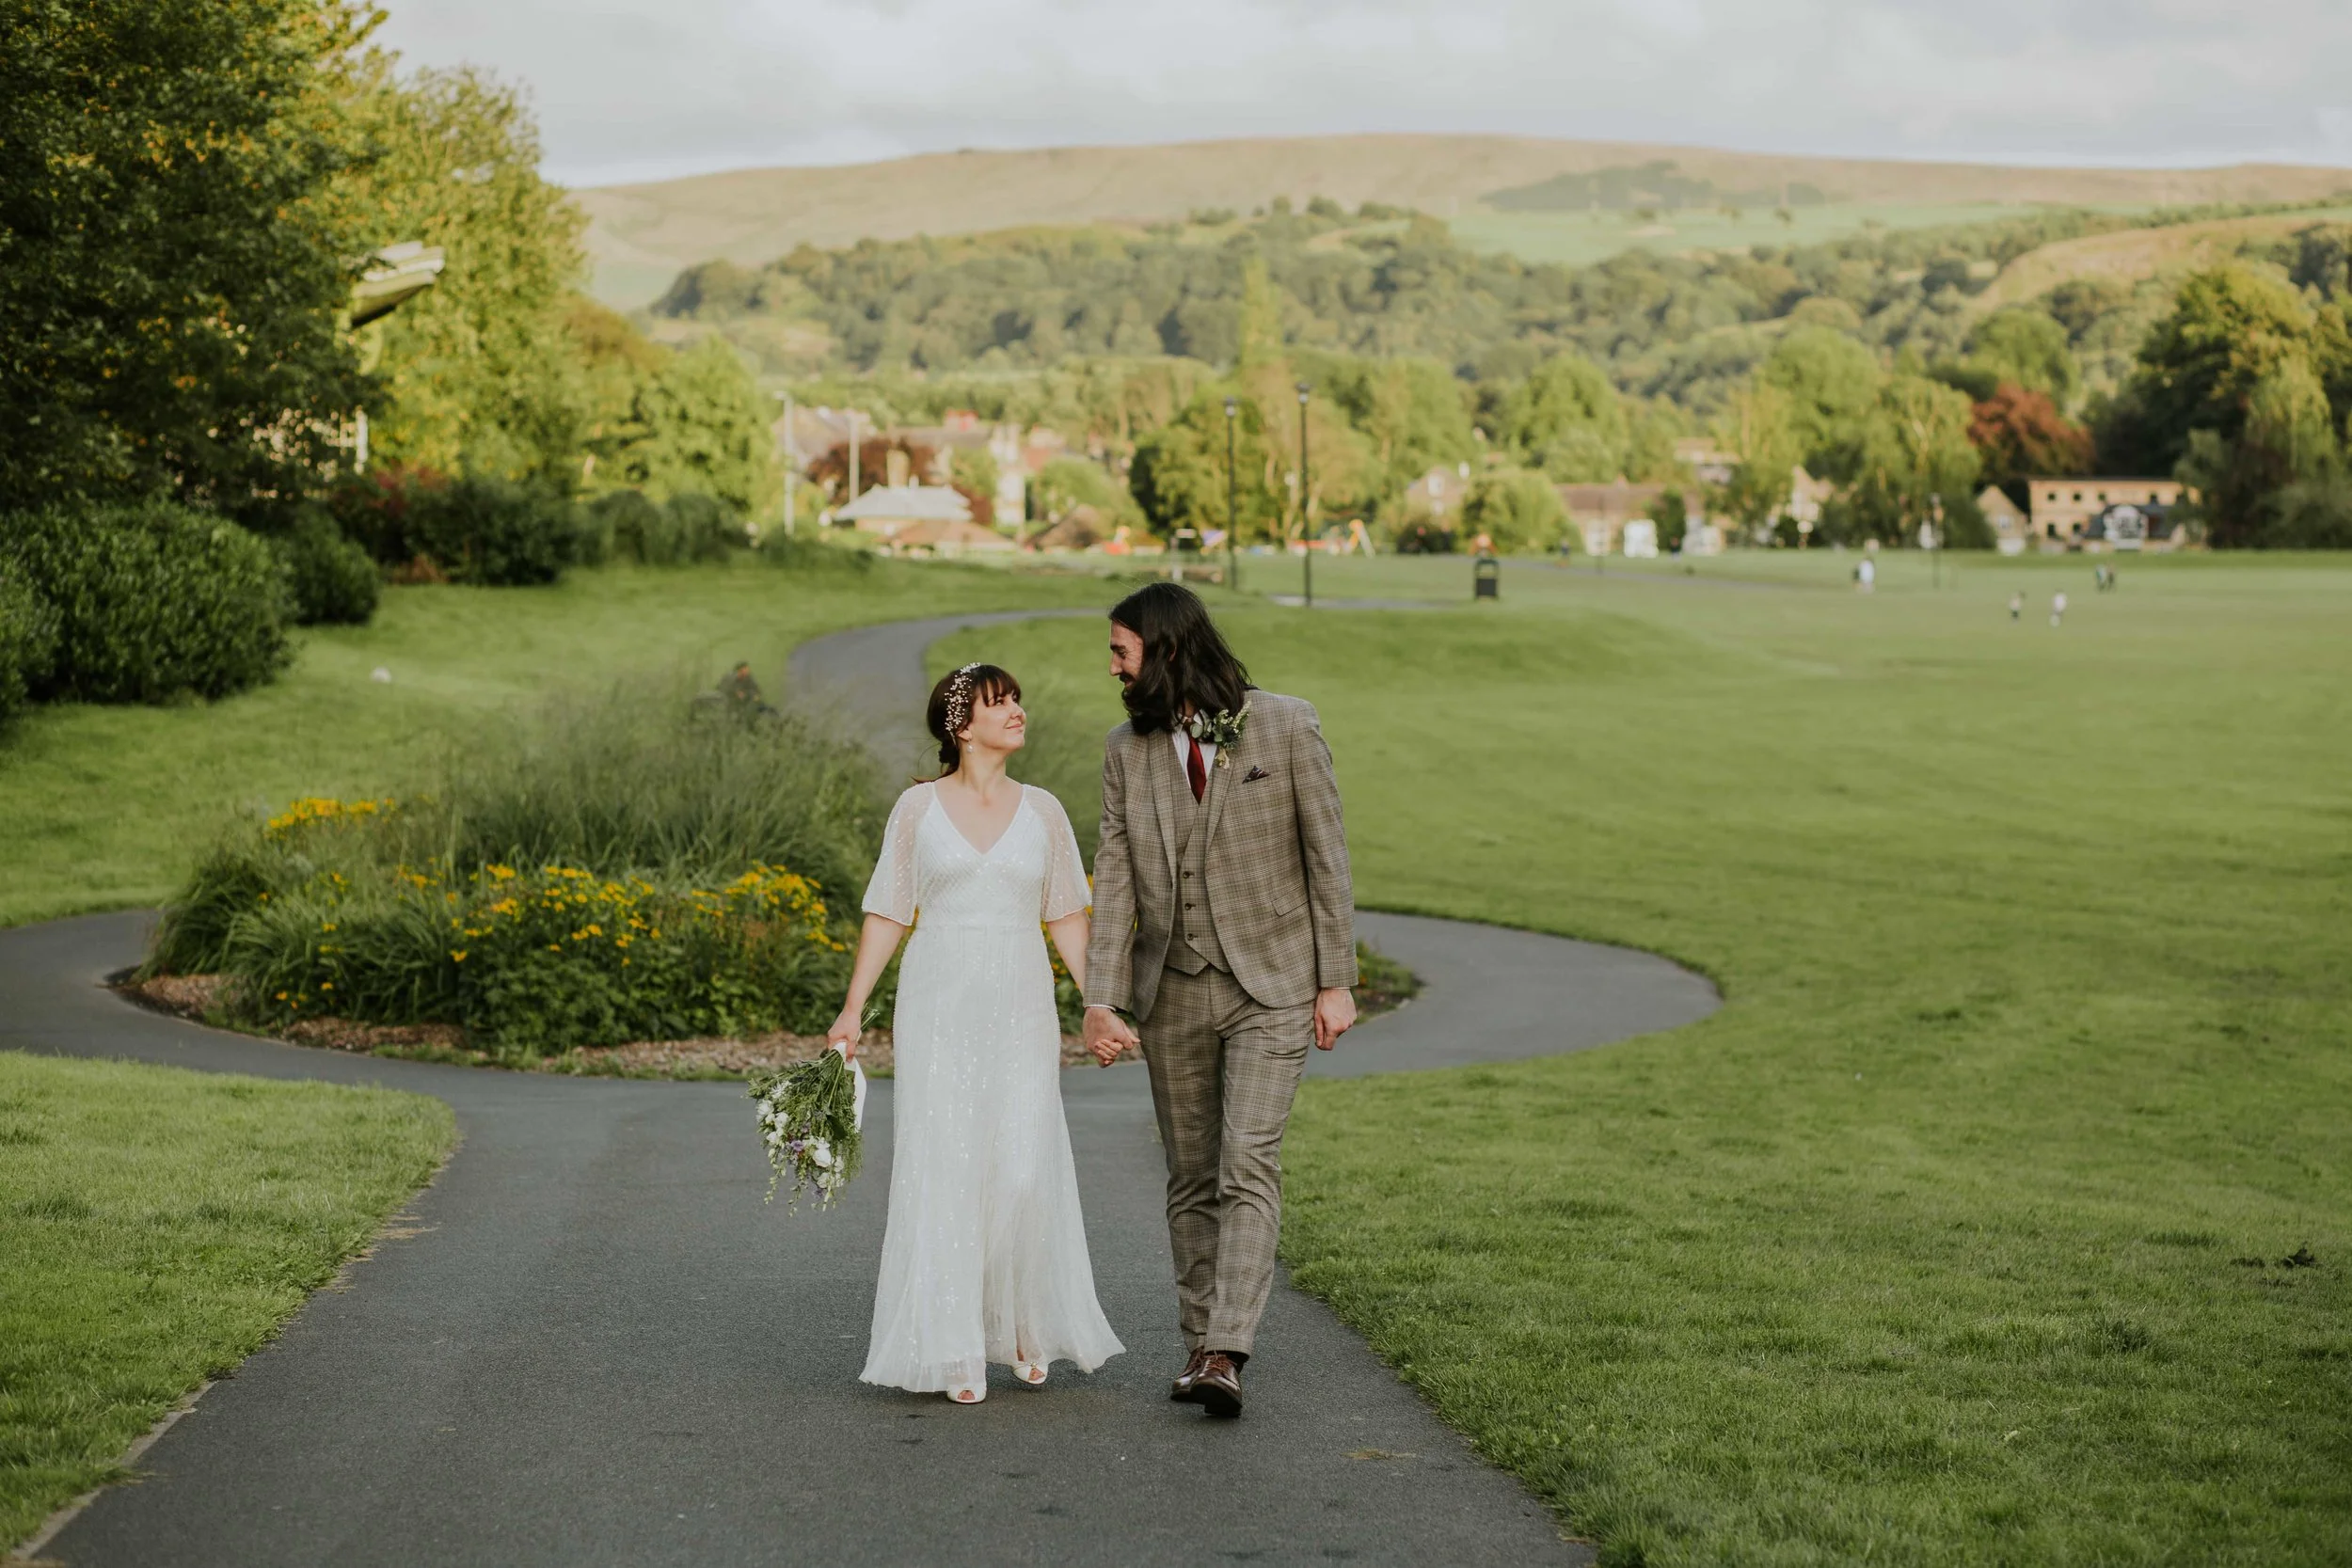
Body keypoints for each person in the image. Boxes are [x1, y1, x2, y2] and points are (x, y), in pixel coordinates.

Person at [1082, 583, 1357, 1419]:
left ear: (1165, 649)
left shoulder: (1285, 723)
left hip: (1272, 985)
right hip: (1172, 991)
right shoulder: (1126, 753)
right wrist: (1102, 998)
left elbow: (1328, 856)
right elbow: (1119, 872)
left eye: (1122, 652)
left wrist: (1335, 978)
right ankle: (1201, 1342)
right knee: (1192, 1175)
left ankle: (1227, 1346)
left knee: (1248, 1160)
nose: (1114, 668)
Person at [827, 663, 1123, 1404]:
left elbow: (1066, 917)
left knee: (1022, 1163)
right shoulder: (916, 809)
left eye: (1018, 698)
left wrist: (1100, 1004)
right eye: (1001, 703)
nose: (1018, 710)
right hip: (939, 1003)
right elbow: (889, 910)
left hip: (1021, 1003)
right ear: (962, 725)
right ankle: (954, 1345)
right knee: (947, 1163)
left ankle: (1021, 1325)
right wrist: (852, 1007)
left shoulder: (1046, 811)